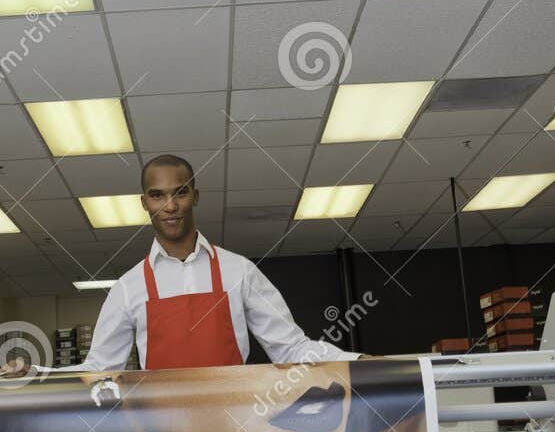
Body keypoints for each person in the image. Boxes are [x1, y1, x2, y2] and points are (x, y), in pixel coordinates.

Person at [82, 154, 359, 372]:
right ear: (144, 203)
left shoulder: (239, 270)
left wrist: (360, 361)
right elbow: (99, 368)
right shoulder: (128, 287)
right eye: (157, 195)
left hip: (234, 424)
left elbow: (291, 348)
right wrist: (41, 376)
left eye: (180, 192)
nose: (170, 206)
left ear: (196, 196)